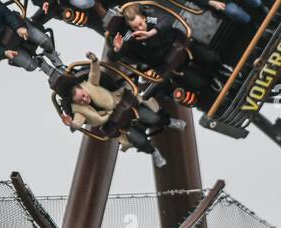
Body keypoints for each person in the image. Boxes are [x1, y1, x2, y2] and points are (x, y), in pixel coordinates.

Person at [54, 59, 185, 166]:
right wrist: (71, 124)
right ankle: (153, 151)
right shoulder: (80, 111)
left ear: (82, 88)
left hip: (123, 105)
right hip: (118, 124)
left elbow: (94, 72)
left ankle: (169, 122)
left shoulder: (91, 84)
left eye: (83, 96)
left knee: (153, 118)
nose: (84, 100)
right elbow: (78, 122)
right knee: (139, 140)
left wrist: (93, 60)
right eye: (80, 101)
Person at [108, 2, 223, 96]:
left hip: (177, 43)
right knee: (199, 84)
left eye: (140, 24)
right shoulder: (130, 36)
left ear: (143, 18)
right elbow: (112, 57)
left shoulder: (149, 18)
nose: (139, 28)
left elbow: (165, 21)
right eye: (134, 27)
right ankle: (211, 81)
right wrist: (117, 49)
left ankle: (221, 71)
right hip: (163, 63)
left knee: (212, 58)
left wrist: (151, 33)